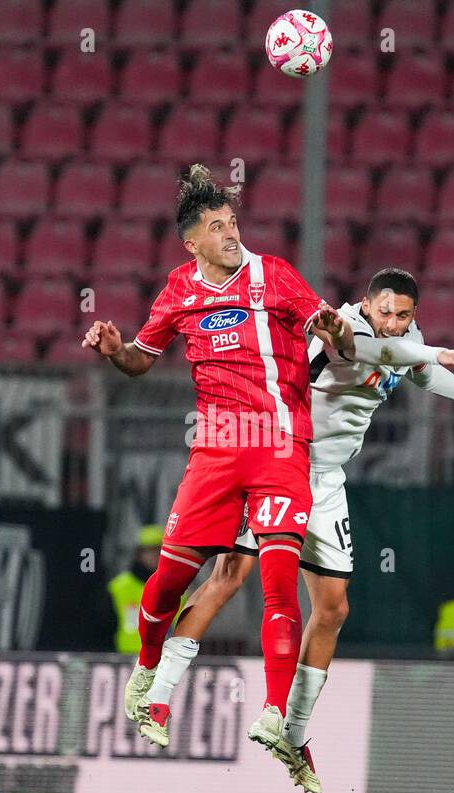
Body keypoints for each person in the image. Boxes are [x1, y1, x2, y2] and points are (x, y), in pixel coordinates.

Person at [124, 267, 454, 793]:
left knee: (334, 608)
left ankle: (292, 734)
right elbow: (373, 352)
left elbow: (418, 371)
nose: (392, 322)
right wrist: (437, 351)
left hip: (325, 482)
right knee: (229, 577)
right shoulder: (339, 326)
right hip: (279, 464)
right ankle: (156, 695)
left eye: (403, 315)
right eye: (384, 311)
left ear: (414, 315)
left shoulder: (407, 343)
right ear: (366, 305)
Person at [82, 164, 347, 755]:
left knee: (279, 584)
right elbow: (140, 359)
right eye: (217, 226)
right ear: (191, 242)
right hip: (216, 451)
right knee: (171, 578)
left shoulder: (275, 276)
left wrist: (335, 331)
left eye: (233, 223)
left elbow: (337, 340)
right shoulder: (178, 290)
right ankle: (147, 669)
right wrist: (113, 350)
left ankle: (276, 713)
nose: (231, 234)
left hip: (281, 448)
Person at [104, 525, 178, 655]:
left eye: (159, 550)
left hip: (165, 661)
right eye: (149, 550)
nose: (155, 555)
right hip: (125, 660)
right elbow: (105, 628)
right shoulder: (118, 587)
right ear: (139, 554)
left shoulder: (178, 588)